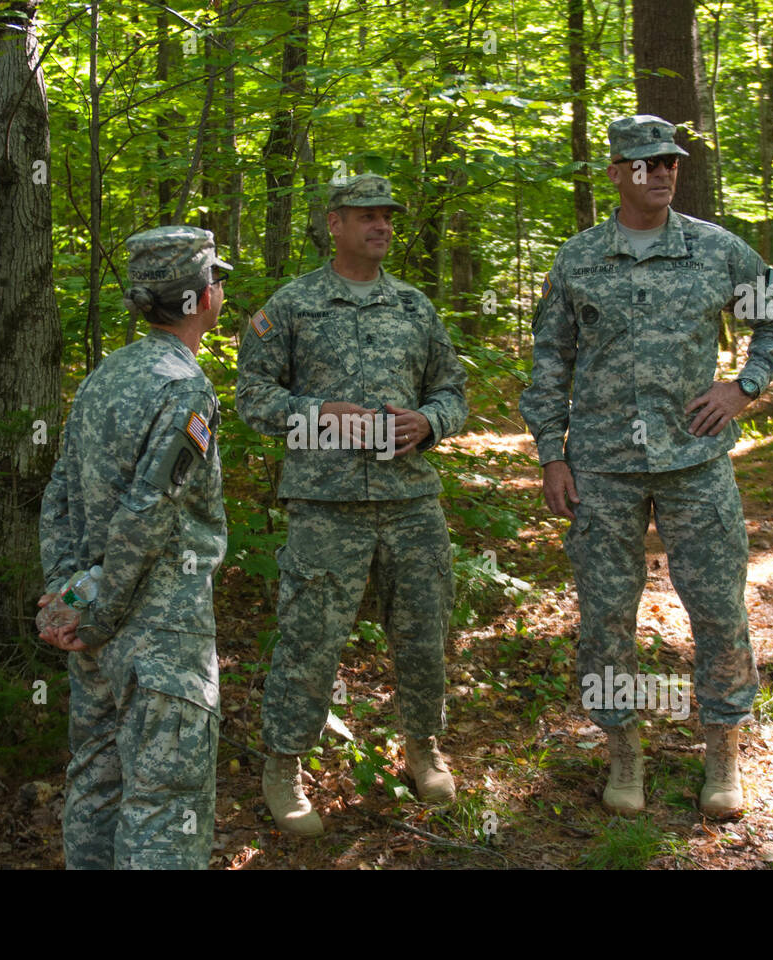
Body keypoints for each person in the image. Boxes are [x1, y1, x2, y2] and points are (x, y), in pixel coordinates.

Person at [520, 115, 773, 818]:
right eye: (645, 164)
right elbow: (549, 363)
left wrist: (745, 386)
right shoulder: (578, 259)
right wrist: (551, 454)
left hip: (695, 463)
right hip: (603, 467)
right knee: (607, 616)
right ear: (616, 173)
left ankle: (722, 755)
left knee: (716, 609)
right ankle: (624, 753)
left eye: (670, 162)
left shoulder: (716, 250)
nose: (662, 173)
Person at [237, 173, 468, 836]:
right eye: (367, 216)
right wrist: (316, 415)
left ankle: (423, 747)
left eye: (388, 216)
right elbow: (252, 396)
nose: (382, 226)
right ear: (333, 224)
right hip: (326, 503)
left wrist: (429, 423)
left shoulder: (415, 308)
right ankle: (283, 767)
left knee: (424, 633)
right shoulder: (293, 305)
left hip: (410, 500)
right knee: (310, 642)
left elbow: (452, 392)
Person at [39, 225, 231, 870]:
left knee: (95, 782)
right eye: (216, 279)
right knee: (163, 805)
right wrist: (97, 609)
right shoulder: (184, 388)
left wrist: (70, 597)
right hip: (159, 633)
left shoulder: (105, 377)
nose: (222, 289)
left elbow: (59, 494)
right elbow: (148, 512)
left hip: (95, 628)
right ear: (200, 298)